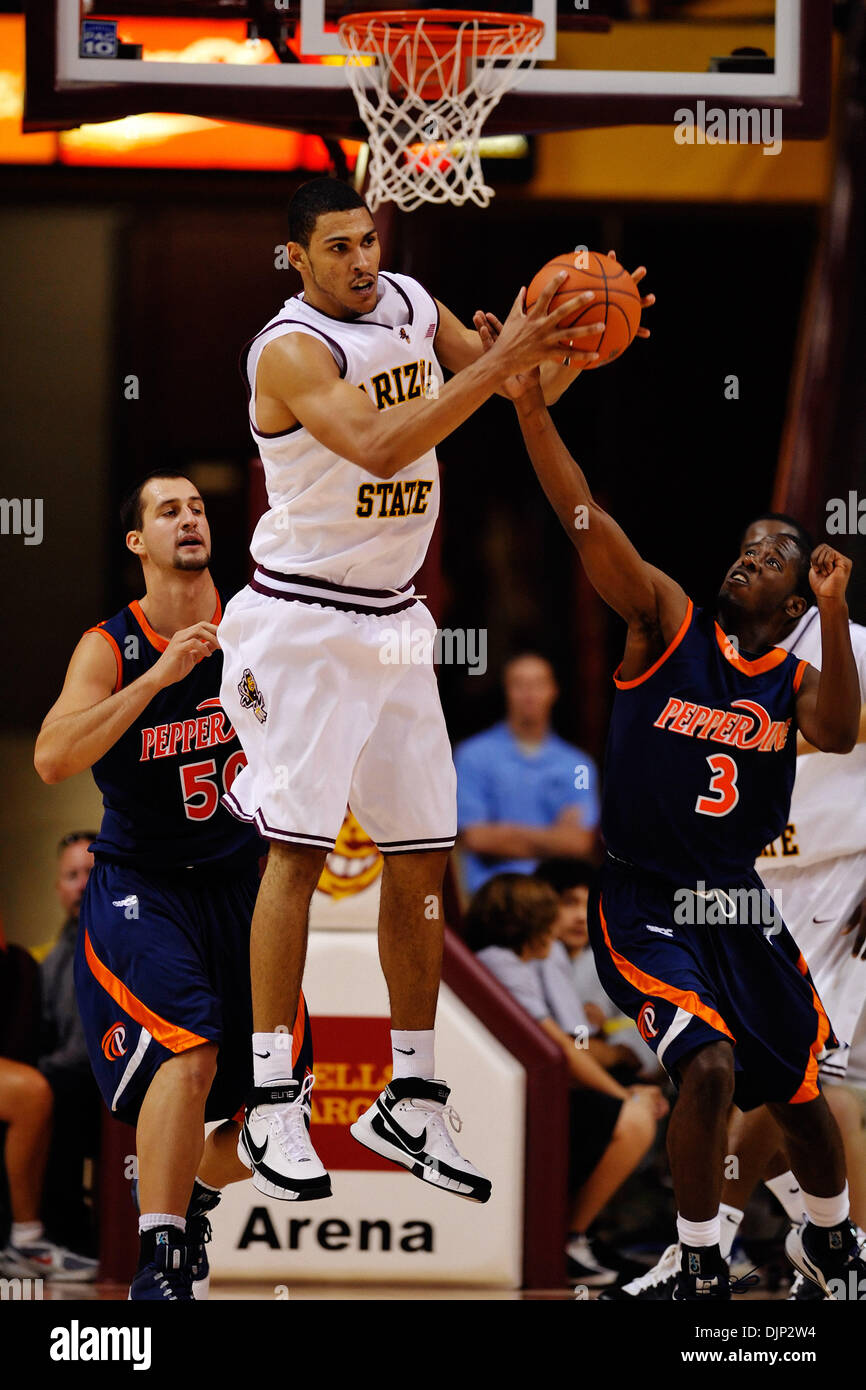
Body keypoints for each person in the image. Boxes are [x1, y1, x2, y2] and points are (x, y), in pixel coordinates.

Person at [473, 301, 866, 1300]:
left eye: (771, 558)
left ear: (792, 601)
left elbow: (835, 732)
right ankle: (696, 1258)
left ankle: (830, 1243)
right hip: (645, 896)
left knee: (801, 1094)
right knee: (708, 1067)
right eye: (746, 545)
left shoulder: (793, 677)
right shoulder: (664, 621)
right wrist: (529, 409)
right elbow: (583, 518)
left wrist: (831, 610)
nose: (748, 556)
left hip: (738, 898)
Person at [216, 175, 596, 1204]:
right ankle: (270, 1098)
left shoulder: (413, 304)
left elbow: (520, 392)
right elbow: (385, 446)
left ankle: (411, 1095)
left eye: (367, 240)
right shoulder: (289, 350)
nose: (360, 260)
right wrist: (504, 362)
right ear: (297, 257)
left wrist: (575, 337)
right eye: (337, 247)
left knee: (423, 855)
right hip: (300, 624)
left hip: (392, 621)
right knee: (297, 852)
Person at [34, 471, 315, 1301]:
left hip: (239, 884)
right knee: (187, 1050)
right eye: (168, 510)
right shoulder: (110, 646)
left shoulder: (256, 623)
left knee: (279, 1111)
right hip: (143, 887)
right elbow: (51, 758)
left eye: (197, 507)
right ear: (138, 542)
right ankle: (159, 1266)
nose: (189, 518)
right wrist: (157, 678)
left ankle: (185, 1189)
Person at [467, 872, 667, 1286]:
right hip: (512, 1105)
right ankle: (569, 1240)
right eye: (552, 915)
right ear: (530, 921)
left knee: (631, 1107)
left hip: (539, 1092)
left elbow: (570, 1045)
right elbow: (560, 1047)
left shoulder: (519, 961)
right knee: (633, 1120)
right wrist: (623, 1096)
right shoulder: (501, 962)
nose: (561, 924)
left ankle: (580, 1236)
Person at [0, 916, 97, 1281]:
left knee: (45, 1092)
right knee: (31, 1093)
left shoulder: (24, 963)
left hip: (73, 1072)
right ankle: (25, 1239)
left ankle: (29, 1239)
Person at [454, 654, 599, 896]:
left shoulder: (578, 766)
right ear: (506, 691)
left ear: (553, 691)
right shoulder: (472, 756)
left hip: (555, 899)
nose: (529, 694)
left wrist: (504, 834)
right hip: (493, 898)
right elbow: (476, 837)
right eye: (520, 684)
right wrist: (555, 837)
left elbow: (579, 842)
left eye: (538, 684)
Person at [36, 831, 102, 1259]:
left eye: (90, 873)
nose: (81, 885)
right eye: (71, 875)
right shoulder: (48, 958)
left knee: (48, 1094)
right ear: (59, 887)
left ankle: (64, 1236)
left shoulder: (125, 942)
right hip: (66, 1079)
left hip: (104, 1083)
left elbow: (81, 1055)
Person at [533, 858, 658, 1077]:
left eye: (589, 904)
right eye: (569, 903)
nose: (582, 917)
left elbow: (586, 1032)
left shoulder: (603, 961)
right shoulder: (538, 960)